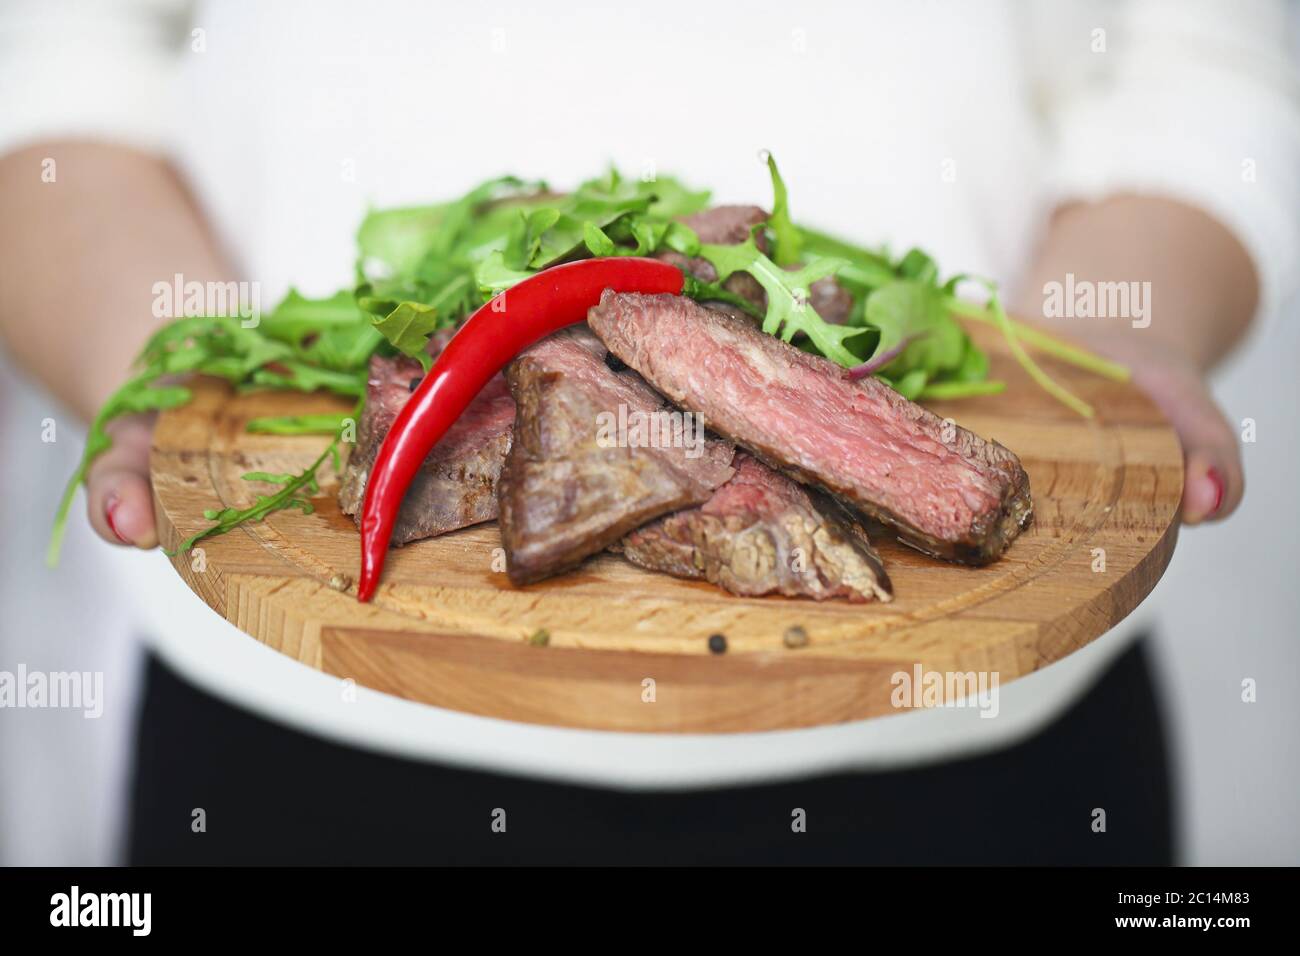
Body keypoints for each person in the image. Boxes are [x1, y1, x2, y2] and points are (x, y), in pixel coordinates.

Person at [0, 0, 1294, 864]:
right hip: (294, 750)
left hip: (980, 757)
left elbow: (1195, 71)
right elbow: (62, 66)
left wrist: (1114, 333)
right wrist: (150, 356)